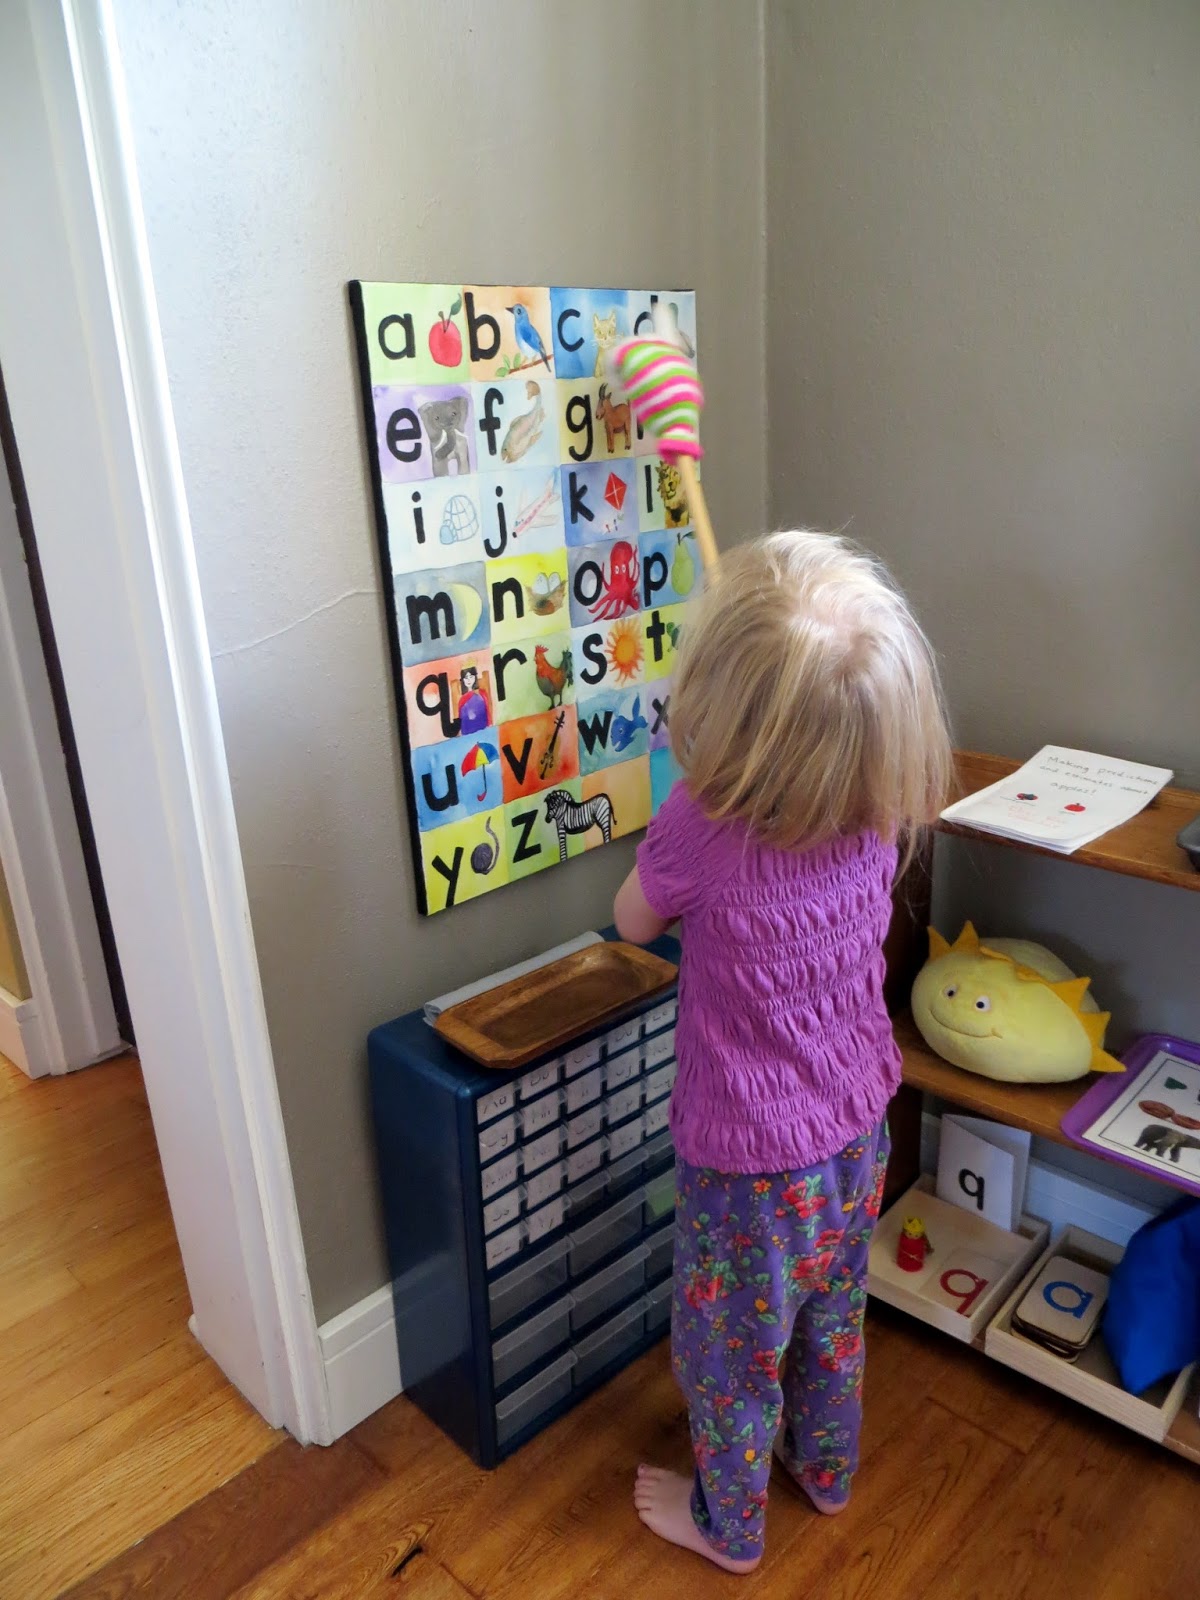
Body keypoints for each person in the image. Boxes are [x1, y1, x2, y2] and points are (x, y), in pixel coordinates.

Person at [614, 530, 952, 1574]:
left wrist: (681, 823)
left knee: (729, 1354)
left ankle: (728, 1526)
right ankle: (828, 1469)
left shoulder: (696, 825)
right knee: (829, 1318)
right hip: (858, 1133)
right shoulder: (878, 806)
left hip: (748, 1171)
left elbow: (630, 921)